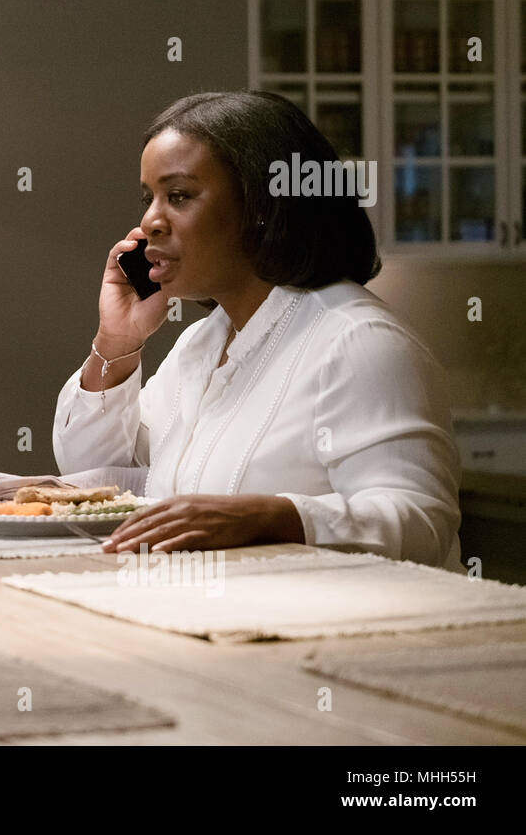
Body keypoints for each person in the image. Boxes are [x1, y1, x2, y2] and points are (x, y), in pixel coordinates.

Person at [54, 91, 462, 571]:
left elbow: (423, 522)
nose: (149, 222)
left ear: (262, 205)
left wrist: (276, 516)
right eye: (149, 199)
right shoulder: (202, 344)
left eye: (179, 196)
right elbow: (95, 479)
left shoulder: (358, 341)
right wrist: (117, 342)